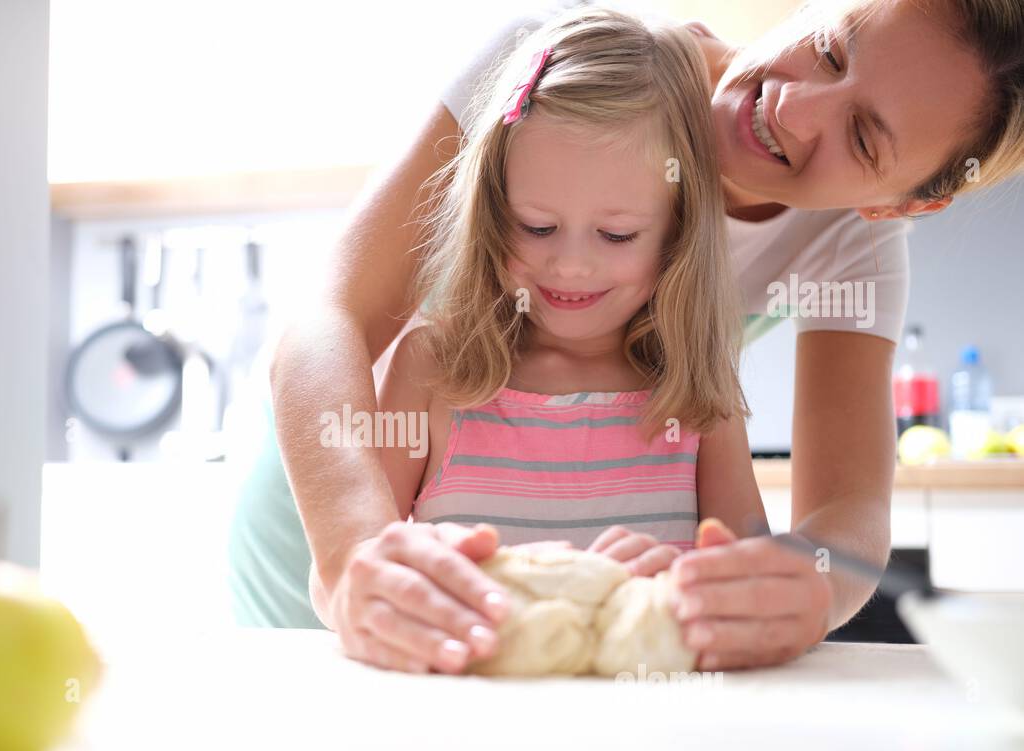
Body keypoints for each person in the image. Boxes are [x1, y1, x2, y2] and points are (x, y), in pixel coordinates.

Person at [238, 0, 1024, 672]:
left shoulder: (849, 247)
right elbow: (327, 316)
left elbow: (847, 511)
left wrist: (804, 585)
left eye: (863, 137)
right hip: (327, 513)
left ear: (900, 203)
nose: (795, 106)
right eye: (828, 50)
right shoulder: (563, 64)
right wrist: (351, 554)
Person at [305, 8, 768, 670]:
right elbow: (341, 584)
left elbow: (752, 592)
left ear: (677, 227)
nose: (571, 266)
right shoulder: (432, 369)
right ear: (492, 213)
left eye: (616, 235)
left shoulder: (699, 396)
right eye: (537, 226)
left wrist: (686, 588)